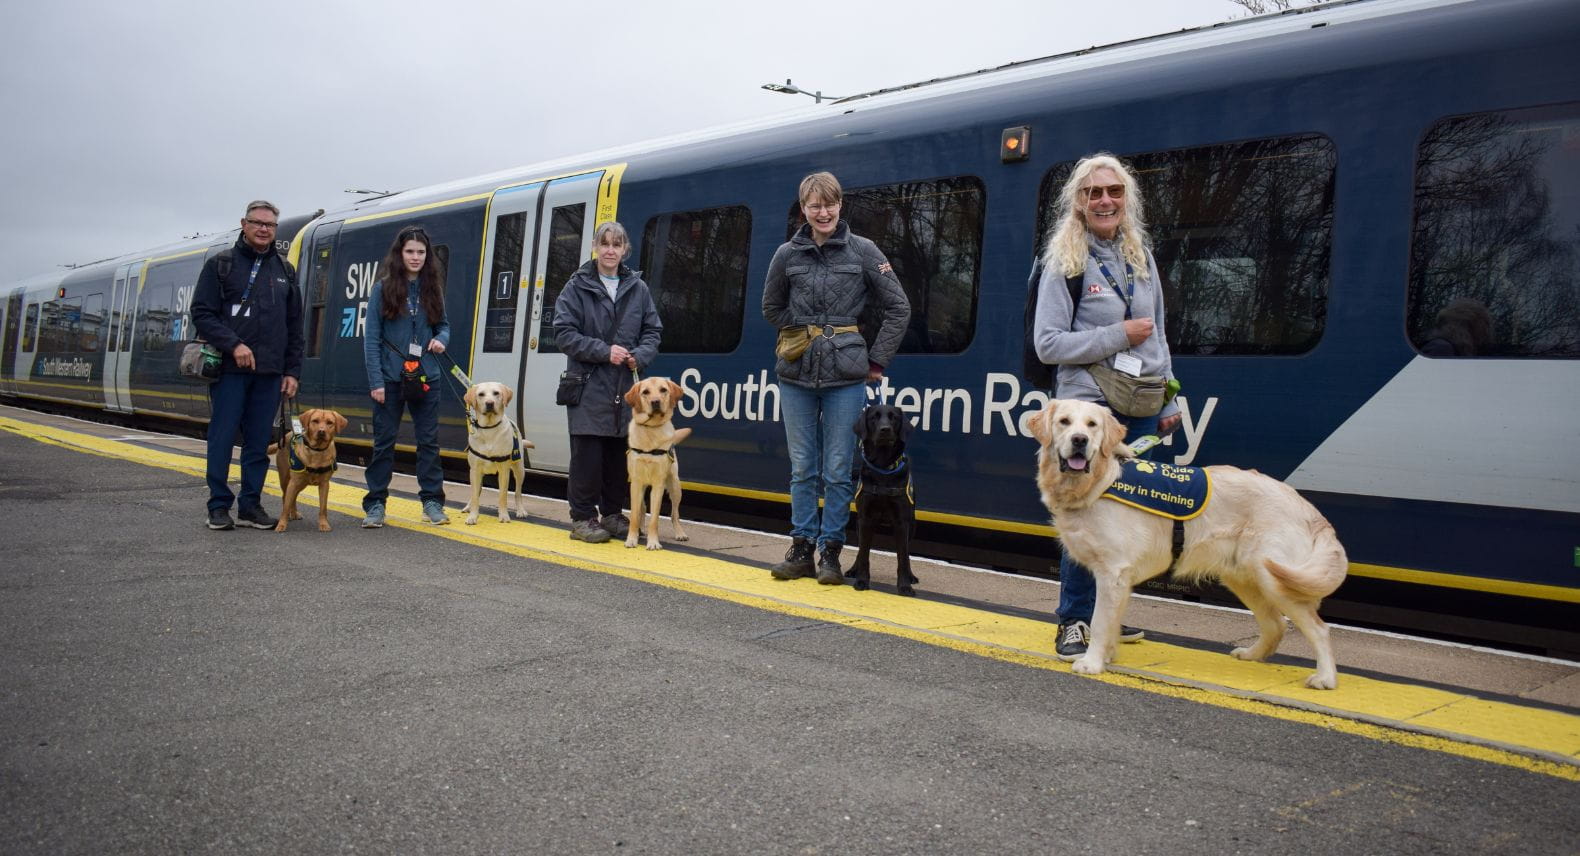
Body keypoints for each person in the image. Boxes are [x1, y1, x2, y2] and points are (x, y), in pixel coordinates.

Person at [1032, 153, 1182, 661]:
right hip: (1089, 403)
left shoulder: (1141, 258)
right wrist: (1119, 333)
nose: (1105, 200)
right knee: (1086, 510)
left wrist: (1171, 395)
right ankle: (1073, 620)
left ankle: (1108, 617)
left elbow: (1157, 333)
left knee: (1129, 515)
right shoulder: (1066, 263)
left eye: (1114, 192)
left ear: (1126, 199)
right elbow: (1048, 344)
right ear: (1078, 202)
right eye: (1094, 193)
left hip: (1140, 401)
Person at [762, 172, 910, 584]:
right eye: (814, 205)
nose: (823, 212)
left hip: (847, 376)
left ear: (840, 205)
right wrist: (804, 328)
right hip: (795, 373)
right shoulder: (785, 255)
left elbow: (899, 307)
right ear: (804, 209)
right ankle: (802, 548)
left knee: (840, 468)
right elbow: (770, 307)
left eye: (829, 204)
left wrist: (876, 361)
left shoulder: (864, 251)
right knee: (802, 467)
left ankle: (831, 551)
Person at [191, 200, 303, 531]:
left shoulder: (284, 271)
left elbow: (295, 326)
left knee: (257, 443)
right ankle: (218, 505)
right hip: (229, 371)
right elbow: (202, 313)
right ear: (244, 224)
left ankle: (250, 505)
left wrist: (292, 371)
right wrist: (233, 344)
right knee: (222, 438)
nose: (264, 229)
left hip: (269, 374)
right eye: (257, 223)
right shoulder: (221, 265)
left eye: (270, 225)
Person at [553, 221, 662, 543]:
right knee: (587, 455)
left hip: (625, 387)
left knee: (618, 454)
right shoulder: (576, 287)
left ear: (625, 249)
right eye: (605, 244)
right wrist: (604, 351)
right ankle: (582, 518)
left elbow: (653, 331)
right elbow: (563, 333)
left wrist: (639, 356)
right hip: (587, 384)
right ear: (594, 248)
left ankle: (613, 513)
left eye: (617, 244)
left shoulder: (638, 289)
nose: (610, 250)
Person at [361, 225, 451, 528]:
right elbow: (371, 339)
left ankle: (432, 502)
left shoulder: (433, 289)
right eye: (410, 251)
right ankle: (375, 505)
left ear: (428, 256)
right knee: (384, 443)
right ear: (400, 254)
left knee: (428, 442)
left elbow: (444, 326)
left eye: (421, 252)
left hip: (427, 376)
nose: (415, 257)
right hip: (389, 378)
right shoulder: (382, 289)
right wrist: (376, 382)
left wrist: (443, 339)